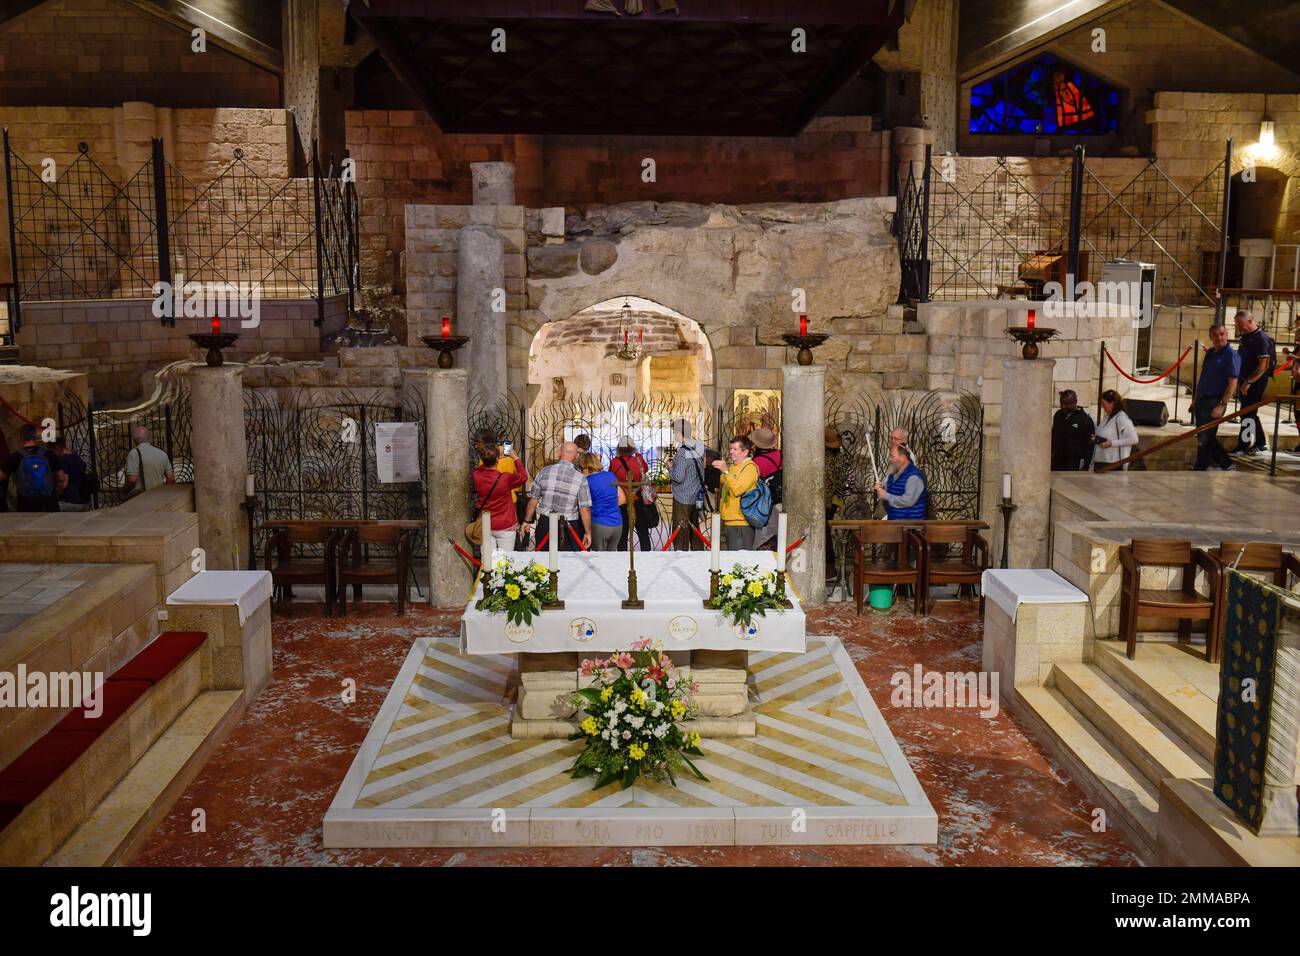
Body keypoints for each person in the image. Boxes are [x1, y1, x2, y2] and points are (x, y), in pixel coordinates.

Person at [521, 441, 593, 551]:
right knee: (569, 562)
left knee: (544, 561)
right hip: (570, 525)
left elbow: (533, 501)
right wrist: (588, 533)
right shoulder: (580, 478)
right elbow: (585, 509)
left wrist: (527, 521)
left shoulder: (544, 472)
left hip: (546, 523)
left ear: (560, 452)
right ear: (577, 456)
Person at [1192, 323, 1240, 472]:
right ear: (1211, 337)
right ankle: (1225, 463)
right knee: (1203, 434)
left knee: (1206, 436)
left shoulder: (1231, 355)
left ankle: (1201, 466)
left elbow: (1232, 383)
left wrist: (1222, 404)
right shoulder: (1210, 353)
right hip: (1202, 398)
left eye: (1222, 334)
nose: (1219, 337)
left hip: (1215, 400)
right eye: (1216, 335)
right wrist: (1194, 399)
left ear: (1226, 335)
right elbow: (1203, 377)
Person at [473, 442, 528, 554]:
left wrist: (489, 456)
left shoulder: (476, 475)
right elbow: (523, 477)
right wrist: (515, 457)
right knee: (505, 560)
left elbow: (482, 467)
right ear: (498, 459)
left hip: (487, 523)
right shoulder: (505, 478)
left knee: (488, 562)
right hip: (505, 523)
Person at [1233, 311, 1275, 455]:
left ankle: (1244, 445)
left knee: (1247, 413)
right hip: (1245, 379)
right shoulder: (1246, 337)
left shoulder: (1261, 339)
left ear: (1250, 321)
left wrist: (1248, 382)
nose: (1239, 328)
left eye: (1241, 325)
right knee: (1249, 412)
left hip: (1255, 382)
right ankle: (1260, 442)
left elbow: (1263, 366)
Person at [0, 423, 67, 512]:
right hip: (48, 503)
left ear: (21, 437)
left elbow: (1, 477)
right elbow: (61, 478)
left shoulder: (16, 457)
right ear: (35, 436)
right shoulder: (49, 454)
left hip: (26, 505)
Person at [714, 435, 760, 550]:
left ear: (745, 452)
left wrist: (725, 471)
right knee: (729, 561)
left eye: (735, 449)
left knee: (739, 562)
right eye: (730, 449)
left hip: (740, 523)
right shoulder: (735, 466)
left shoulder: (750, 468)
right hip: (729, 519)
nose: (731, 452)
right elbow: (725, 482)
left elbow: (737, 490)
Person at [669, 419, 707, 551]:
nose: (674, 434)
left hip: (683, 498)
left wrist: (669, 467)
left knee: (681, 532)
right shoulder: (700, 446)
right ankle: (698, 556)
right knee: (694, 529)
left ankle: (681, 558)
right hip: (696, 496)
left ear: (680, 433)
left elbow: (678, 477)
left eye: (675, 432)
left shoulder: (682, 452)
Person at [609, 437, 653, 552]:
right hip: (636, 498)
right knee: (642, 530)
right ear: (632, 448)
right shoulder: (637, 460)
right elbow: (646, 469)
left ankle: (622, 554)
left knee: (623, 532)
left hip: (622, 500)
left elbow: (611, 477)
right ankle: (646, 554)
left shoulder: (614, 462)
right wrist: (638, 455)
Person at [581, 452, 625, 551]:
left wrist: (588, 532)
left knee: (599, 560)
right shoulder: (611, 476)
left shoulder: (587, 481)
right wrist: (609, 506)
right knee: (611, 559)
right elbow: (622, 499)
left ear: (586, 466)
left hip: (600, 524)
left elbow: (585, 509)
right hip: (617, 523)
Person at [875, 442, 928, 520]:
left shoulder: (914, 477)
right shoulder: (894, 476)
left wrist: (886, 495)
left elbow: (908, 502)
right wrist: (882, 489)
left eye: (893, 456)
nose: (890, 460)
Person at [750, 427, 782, 549]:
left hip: (766, 505)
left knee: (763, 538)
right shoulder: (781, 455)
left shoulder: (757, 462)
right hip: (781, 501)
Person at [1092, 389, 1139, 472]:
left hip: (1114, 462)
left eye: (1104, 404)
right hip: (1101, 460)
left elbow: (1134, 439)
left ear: (1112, 403)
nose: (1102, 407)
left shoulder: (1121, 418)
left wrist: (1111, 443)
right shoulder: (1106, 418)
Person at [1051, 389, 1096, 471]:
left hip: (1074, 462)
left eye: (1067, 404)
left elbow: (1090, 445)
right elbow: (1053, 435)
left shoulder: (1084, 419)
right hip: (1057, 461)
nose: (1064, 406)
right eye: (1062, 404)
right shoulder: (1058, 415)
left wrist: (1086, 465)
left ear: (1075, 402)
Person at [123, 425, 175, 496]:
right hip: (159, 495)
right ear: (149, 438)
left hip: (141, 497)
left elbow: (132, 479)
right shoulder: (162, 453)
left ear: (134, 440)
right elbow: (171, 478)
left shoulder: (134, 453)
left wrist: (125, 490)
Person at [51, 437, 93, 511]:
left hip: (70, 501)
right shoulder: (78, 458)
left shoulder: (63, 460)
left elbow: (64, 484)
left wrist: (54, 494)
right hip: (85, 500)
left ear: (57, 447)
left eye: (53, 451)